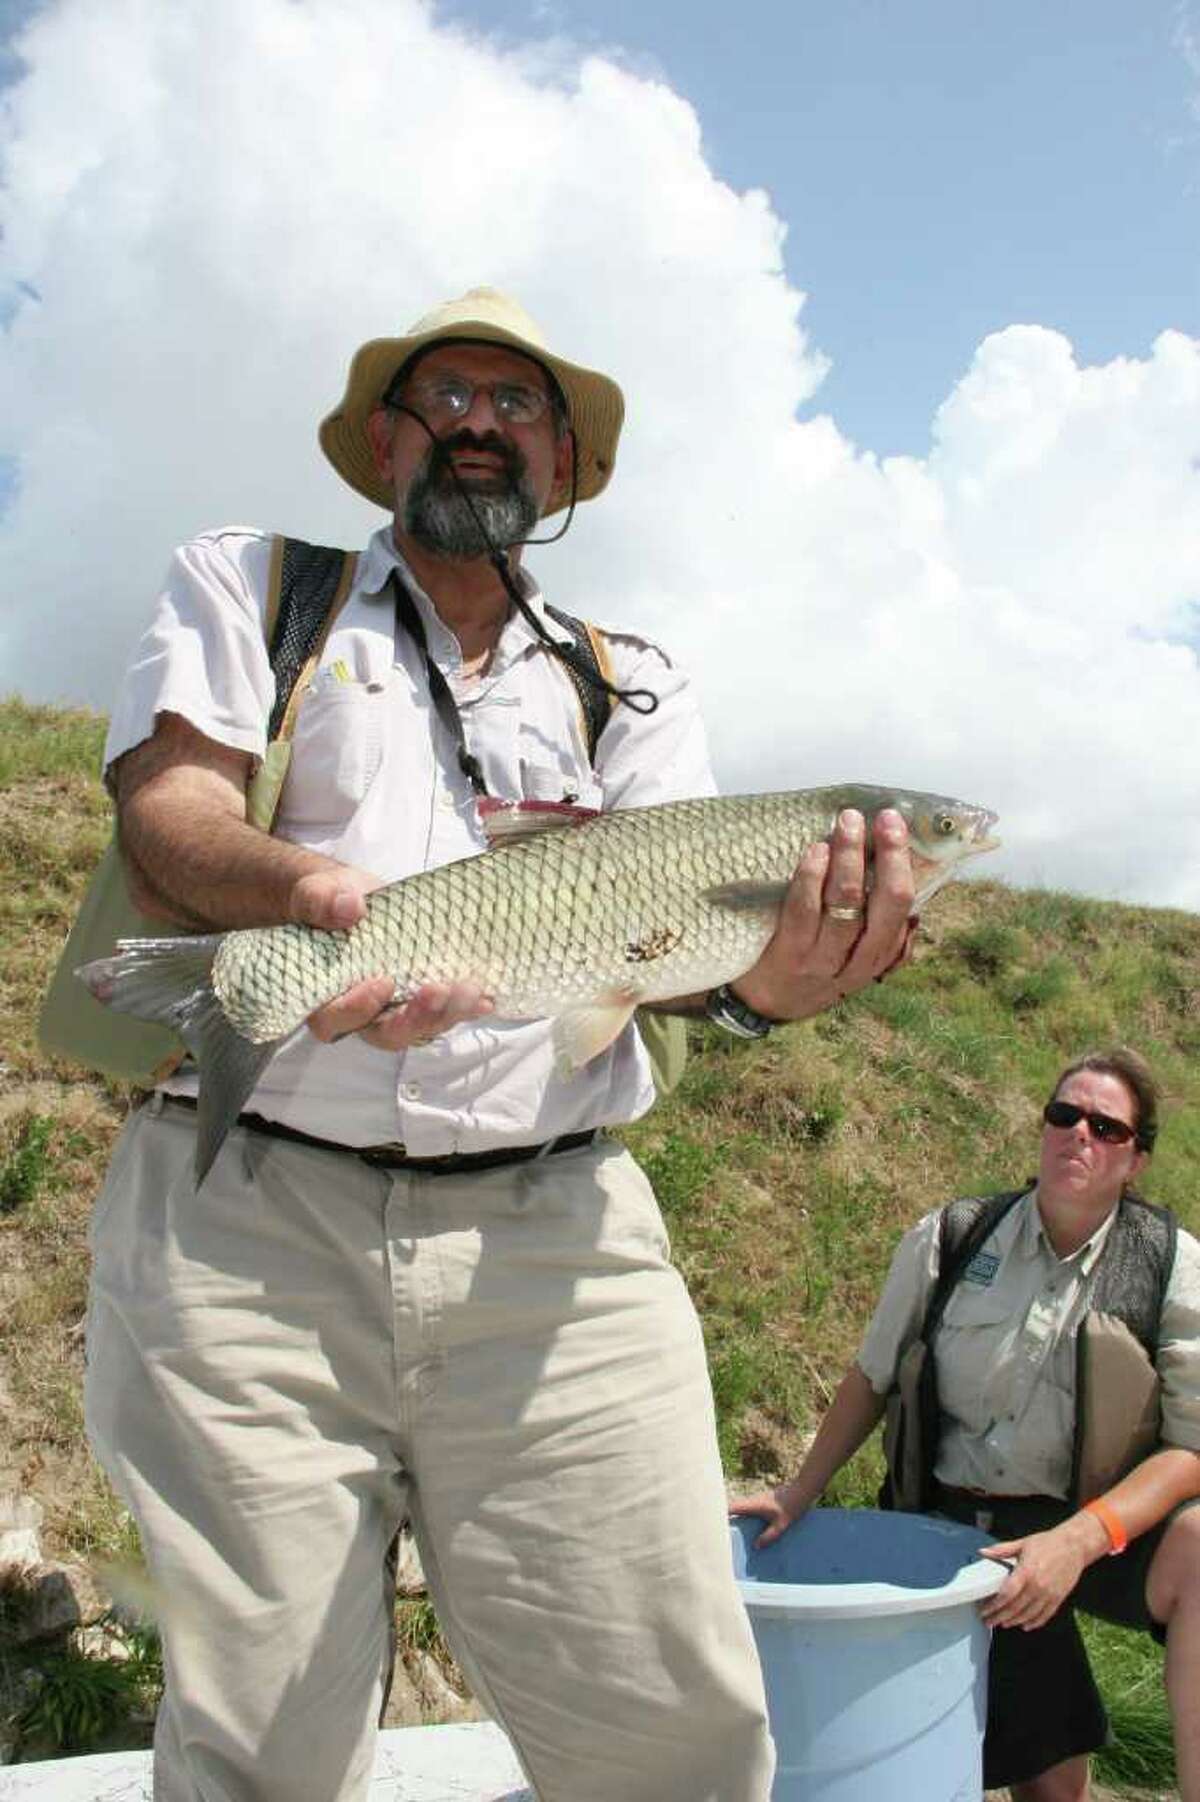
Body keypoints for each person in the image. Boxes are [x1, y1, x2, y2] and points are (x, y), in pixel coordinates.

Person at [80, 287, 917, 1802]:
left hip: (557, 1234)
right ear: (386, 440)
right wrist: (313, 899)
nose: (479, 422)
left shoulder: (634, 678)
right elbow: (171, 817)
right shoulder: (257, 586)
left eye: (517, 403)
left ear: (564, 462)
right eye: (445, 396)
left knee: (673, 1732)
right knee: (263, 1743)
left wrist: (777, 985)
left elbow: (674, 964)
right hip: (245, 1234)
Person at [732, 1046, 1200, 1802]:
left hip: (1089, 1523)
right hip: (956, 1526)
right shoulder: (953, 1236)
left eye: (1106, 1127)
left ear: (1136, 1158)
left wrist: (1080, 1540)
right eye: (1064, 1114)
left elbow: (1191, 1450)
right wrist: (797, 1491)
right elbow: (872, 1377)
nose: (1079, 1134)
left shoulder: (1172, 1264)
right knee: (1051, 1788)